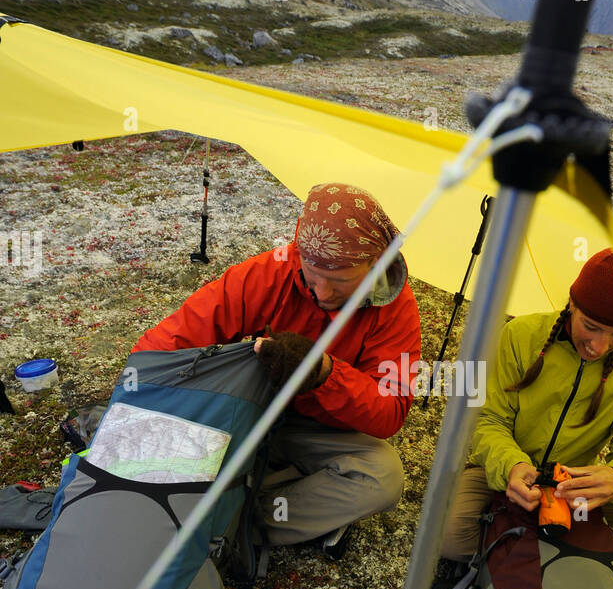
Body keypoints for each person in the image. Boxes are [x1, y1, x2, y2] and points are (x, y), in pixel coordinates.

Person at [132, 182, 421, 549]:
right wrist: (133, 401)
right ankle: (239, 503)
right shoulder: (271, 273)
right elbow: (168, 343)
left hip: (319, 429)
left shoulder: (394, 308)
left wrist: (324, 374)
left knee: (382, 476)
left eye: (340, 281)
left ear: (375, 264)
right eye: (313, 275)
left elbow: (389, 412)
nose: (323, 293)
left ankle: (243, 524)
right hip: (249, 412)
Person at [440, 247, 613, 586]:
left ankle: (564, 578)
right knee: (448, 535)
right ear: (572, 304)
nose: (600, 347)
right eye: (592, 326)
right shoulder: (520, 336)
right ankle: (538, 568)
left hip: (575, 486)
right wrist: (512, 466)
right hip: (503, 471)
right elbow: (488, 421)